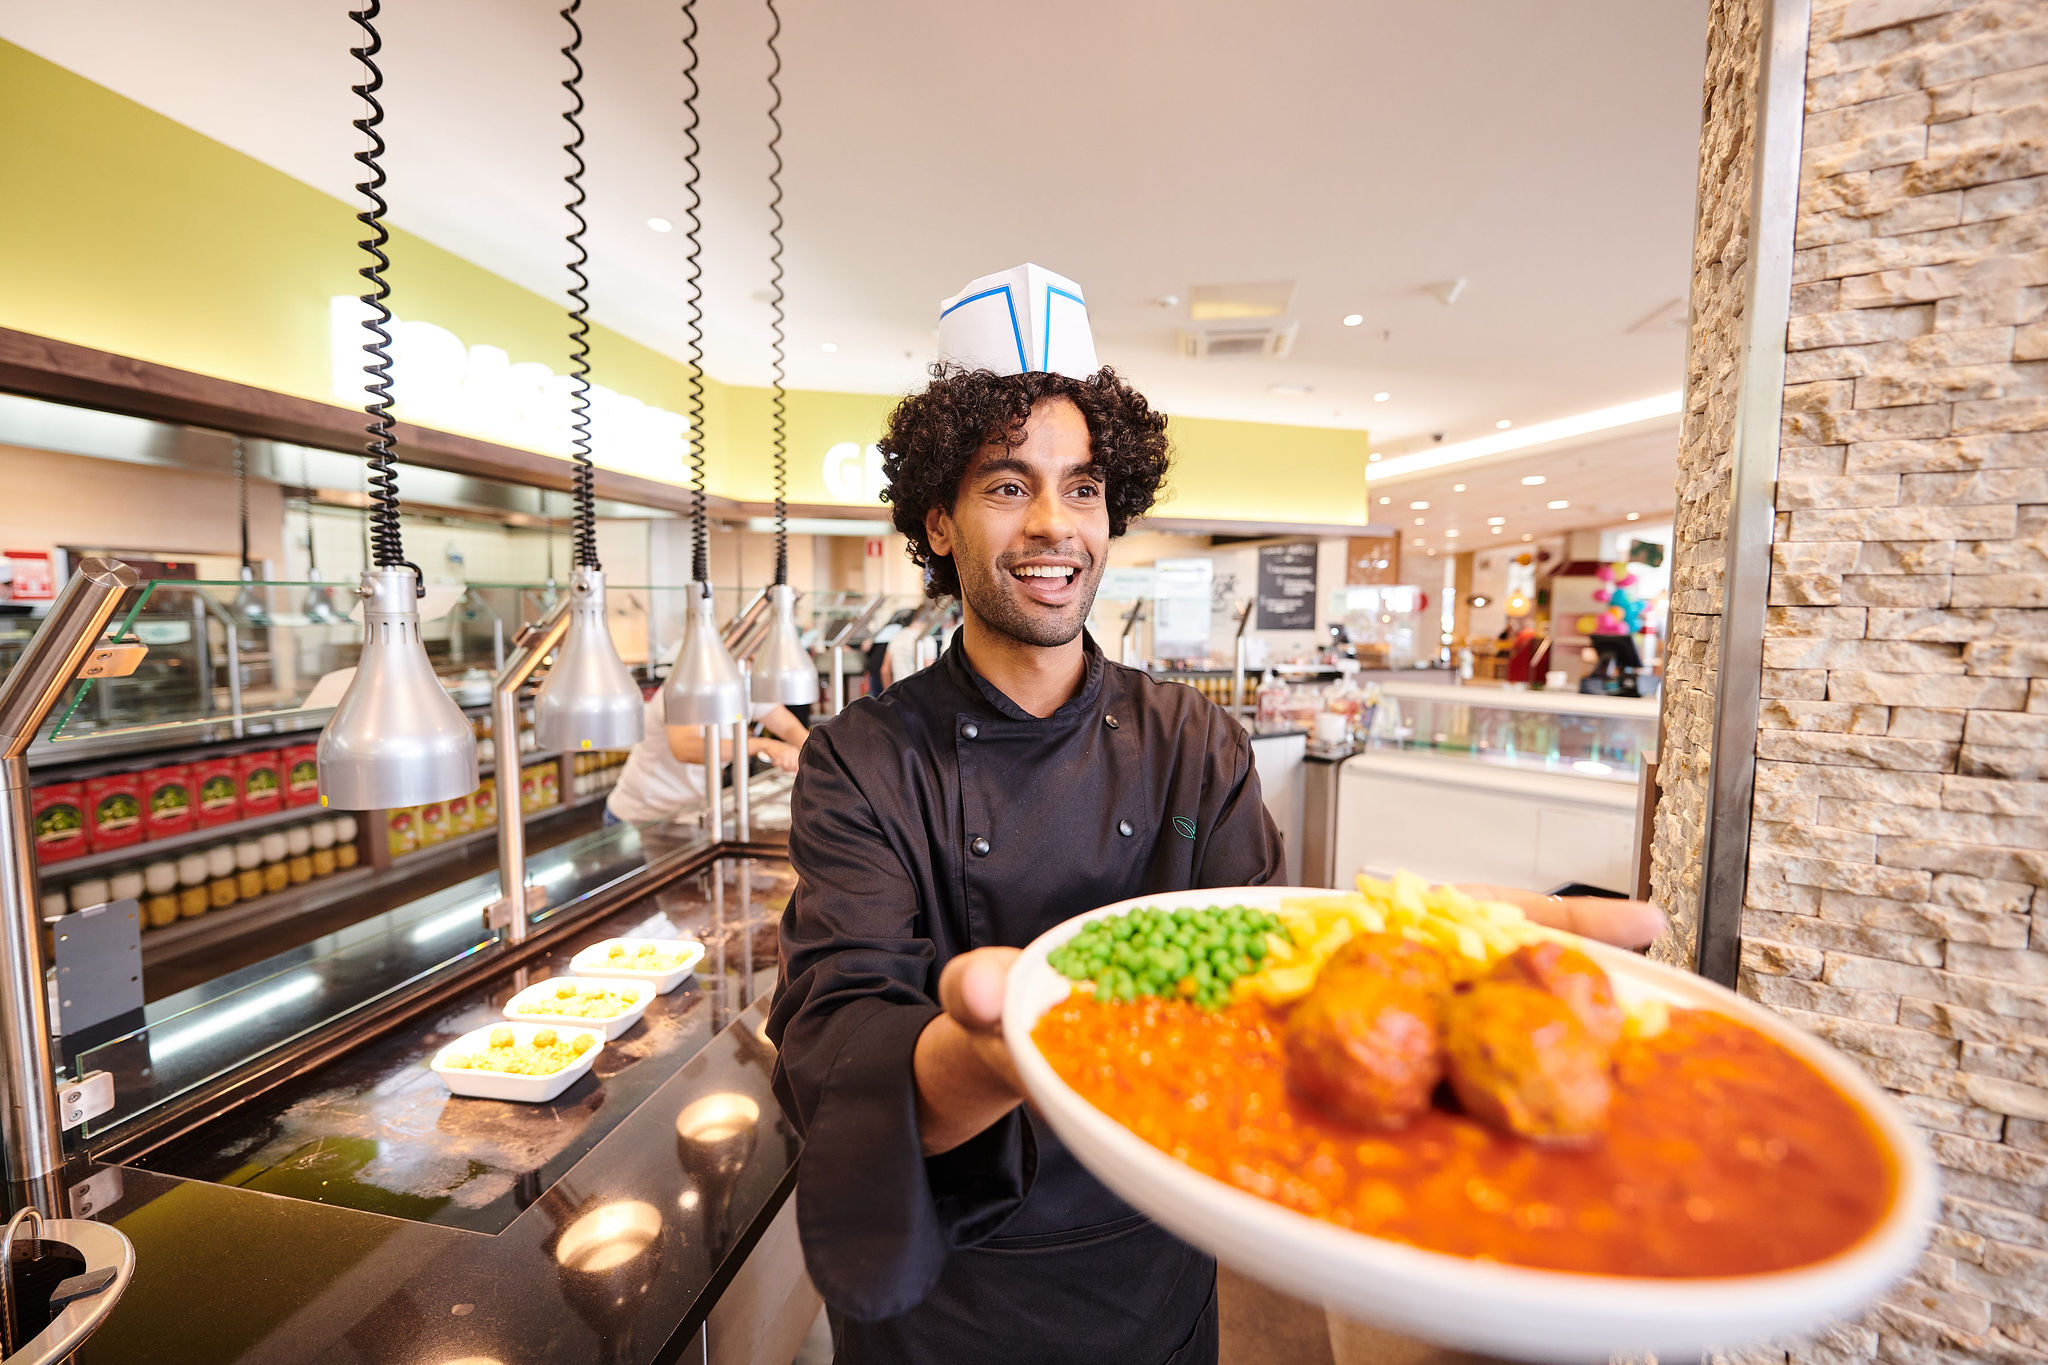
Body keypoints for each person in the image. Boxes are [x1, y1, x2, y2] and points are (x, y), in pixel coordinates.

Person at [766, 264, 1663, 1365]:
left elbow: (1260, 980)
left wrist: (1401, 961)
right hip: (949, 1296)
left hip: (1152, 1265)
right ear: (937, 524)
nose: (1055, 526)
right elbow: (834, 1051)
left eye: (1083, 488)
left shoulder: (1195, 741)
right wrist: (1004, 1055)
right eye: (1007, 487)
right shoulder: (863, 761)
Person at [603, 688, 809, 826]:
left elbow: (788, 726)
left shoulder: (743, 683)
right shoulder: (683, 688)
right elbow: (685, 748)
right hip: (643, 819)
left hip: (688, 816)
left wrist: (818, 751)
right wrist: (766, 745)